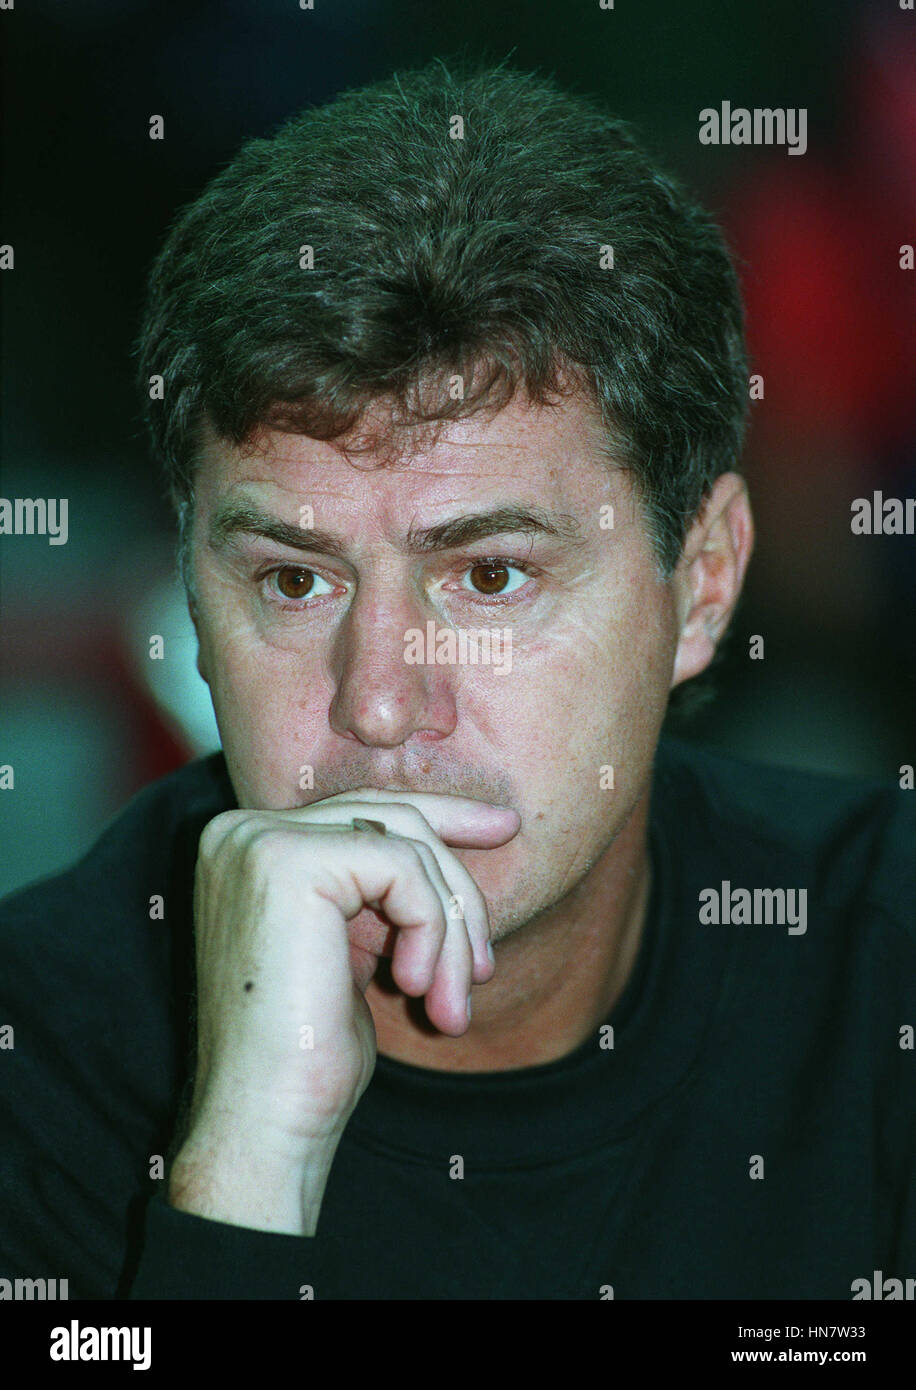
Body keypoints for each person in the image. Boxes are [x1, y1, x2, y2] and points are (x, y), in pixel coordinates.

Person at [1, 59, 912, 1302]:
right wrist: (247, 1161)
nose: (377, 702)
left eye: (489, 578)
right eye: (292, 581)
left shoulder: (882, 962)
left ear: (701, 585)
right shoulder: (33, 1055)